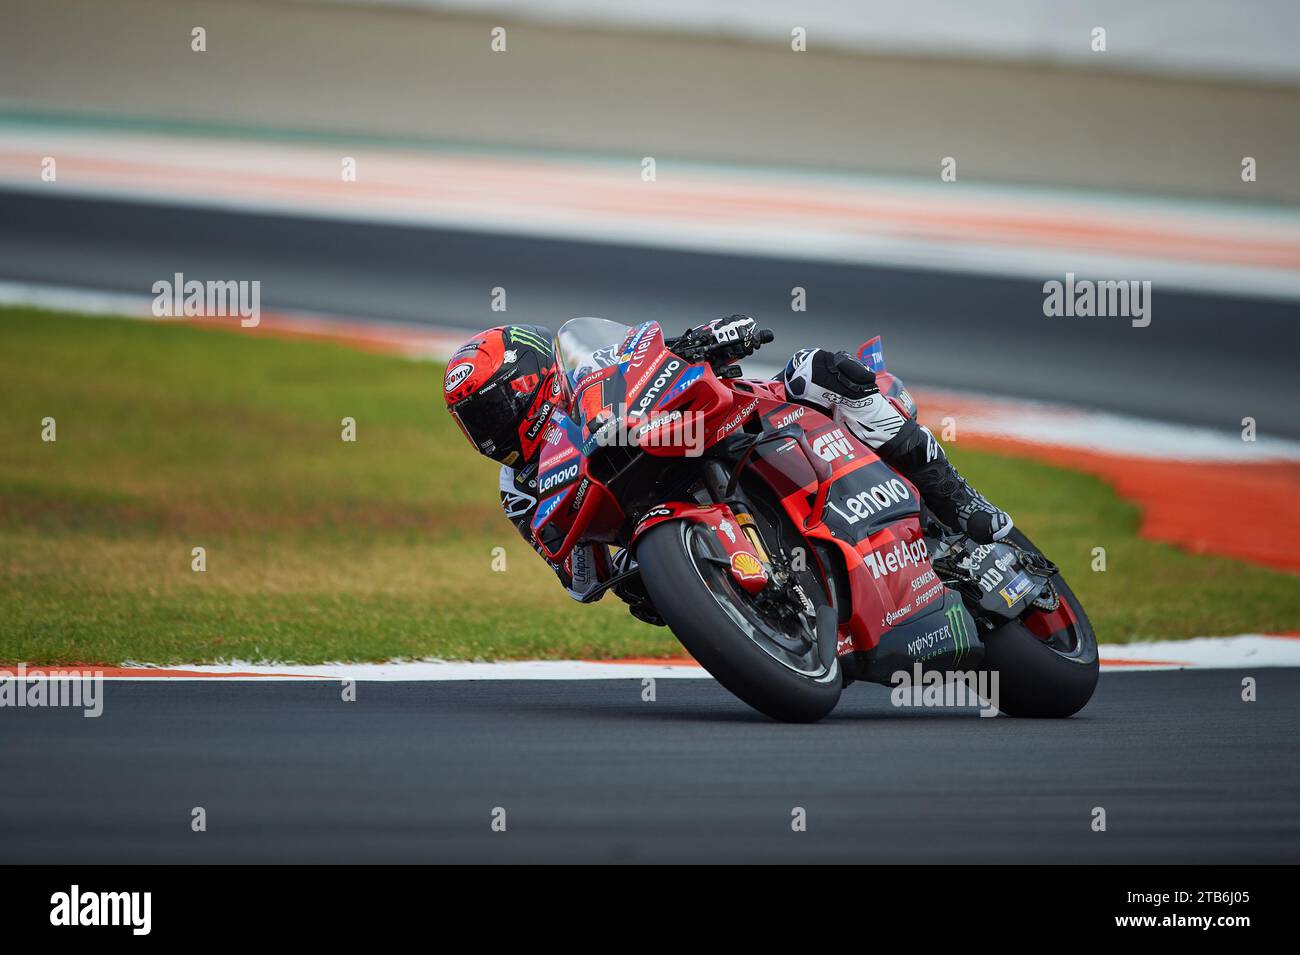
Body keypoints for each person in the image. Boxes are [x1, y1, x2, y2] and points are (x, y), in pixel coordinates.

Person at [443, 317, 1012, 621]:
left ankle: (957, 498)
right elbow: (578, 578)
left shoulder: (592, 377)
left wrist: (705, 340)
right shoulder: (519, 488)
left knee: (818, 368)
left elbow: (650, 359)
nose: (488, 430)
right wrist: (638, 579)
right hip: (649, 510)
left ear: (532, 380)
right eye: (474, 420)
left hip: (735, 421)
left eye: (492, 407)